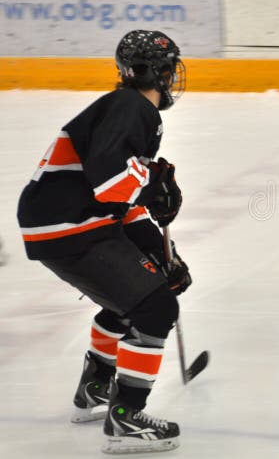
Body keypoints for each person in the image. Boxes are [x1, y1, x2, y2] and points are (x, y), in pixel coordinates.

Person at [17, 30, 191, 454]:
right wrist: (156, 185)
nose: (172, 78)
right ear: (157, 73)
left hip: (68, 221)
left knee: (136, 299)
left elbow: (117, 196)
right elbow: (113, 182)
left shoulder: (127, 107)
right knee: (155, 307)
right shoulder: (133, 108)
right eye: (168, 70)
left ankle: (94, 391)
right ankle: (126, 417)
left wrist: (154, 241)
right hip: (70, 224)